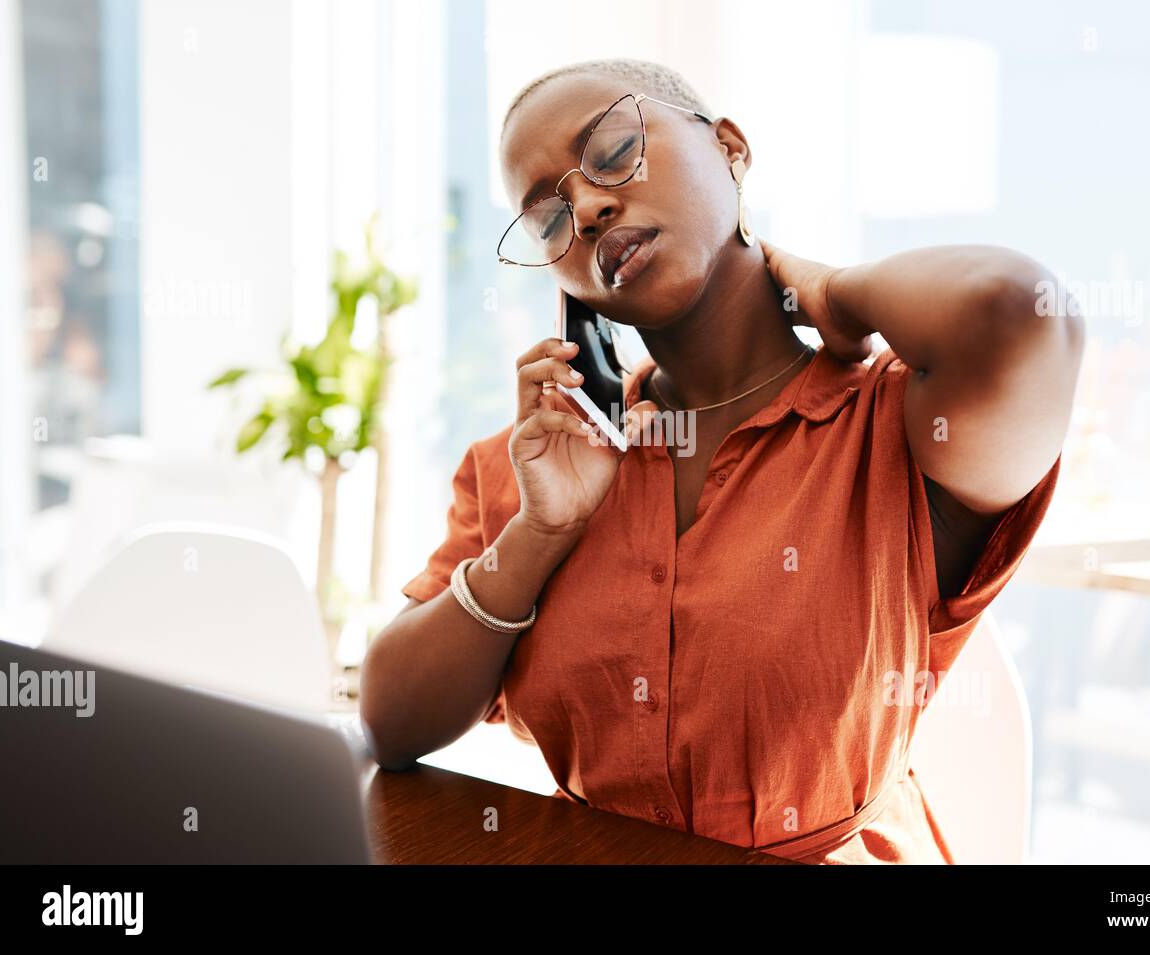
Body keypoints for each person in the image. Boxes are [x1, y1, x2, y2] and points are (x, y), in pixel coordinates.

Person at [359, 57, 1084, 864]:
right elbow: (389, 723)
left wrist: (834, 293)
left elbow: (1022, 314)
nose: (590, 207)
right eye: (549, 217)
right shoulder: (536, 462)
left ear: (731, 150)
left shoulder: (892, 428)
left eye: (610, 154)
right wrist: (538, 532)